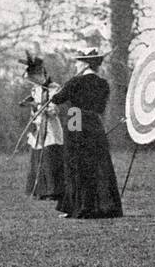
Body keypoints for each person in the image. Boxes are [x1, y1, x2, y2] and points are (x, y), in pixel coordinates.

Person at [50, 47, 123, 219]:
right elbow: (100, 107)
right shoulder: (103, 84)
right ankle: (103, 206)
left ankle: (78, 207)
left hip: (76, 123)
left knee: (75, 163)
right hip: (95, 125)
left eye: (78, 62)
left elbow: (57, 99)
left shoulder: (75, 81)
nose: (76, 65)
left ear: (84, 64)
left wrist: (56, 92)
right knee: (97, 163)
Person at [19, 51, 65, 200]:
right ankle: (39, 190)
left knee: (50, 158)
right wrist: (32, 106)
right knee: (38, 157)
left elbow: (56, 109)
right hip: (38, 127)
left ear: (41, 75)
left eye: (35, 79)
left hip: (51, 127)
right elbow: (35, 104)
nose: (33, 82)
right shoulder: (35, 89)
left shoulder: (54, 89)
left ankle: (54, 191)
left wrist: (44, 108)